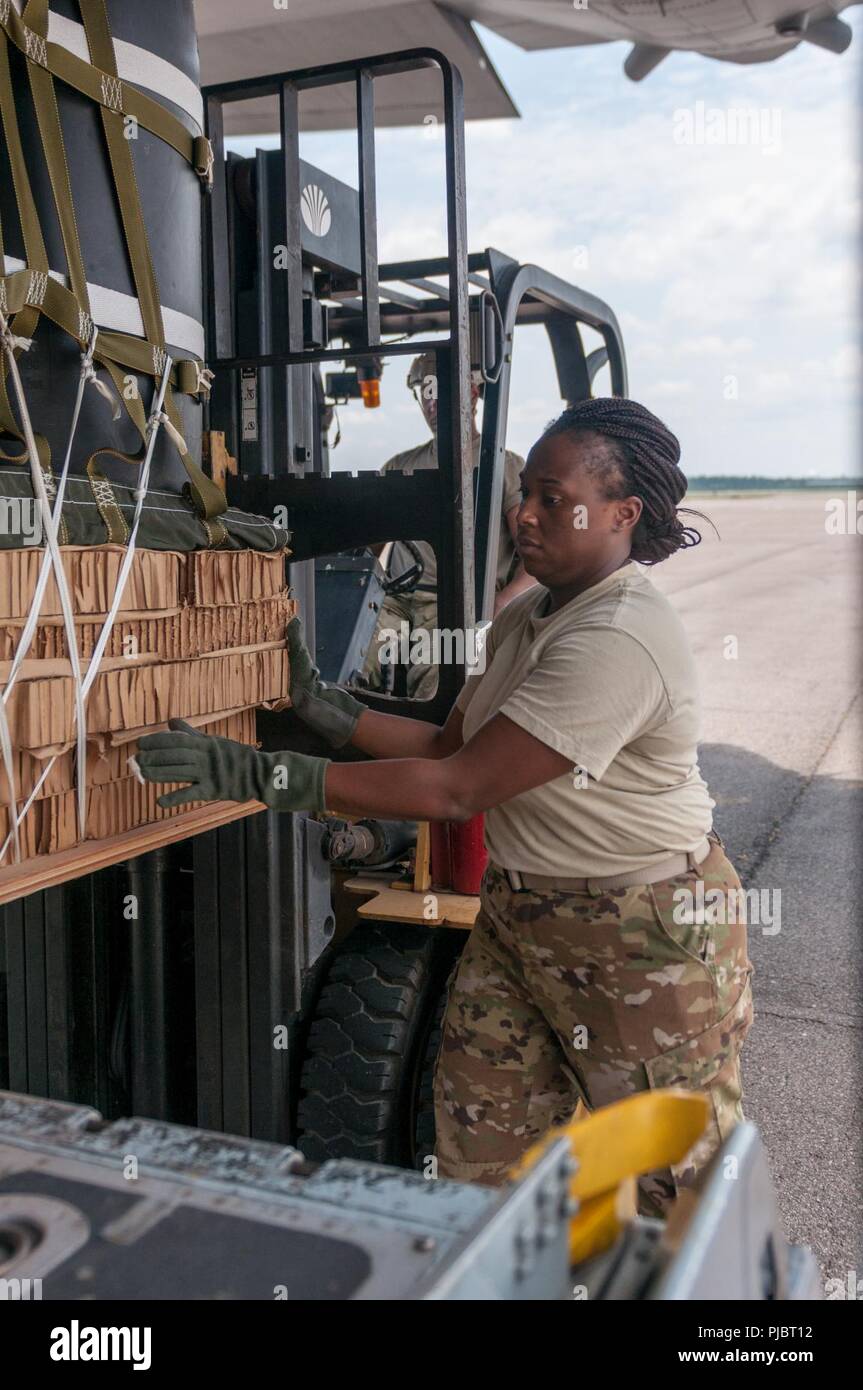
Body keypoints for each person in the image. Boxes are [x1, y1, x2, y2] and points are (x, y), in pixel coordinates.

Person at [136, 396, 754, 1217]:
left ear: (621, 512)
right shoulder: (527, 617)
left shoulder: (620, 636)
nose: (520, 512)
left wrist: (263, 776)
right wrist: (326, 708)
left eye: (547, 495)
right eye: (524, 490)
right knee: (478, 1150)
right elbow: (439, 745)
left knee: (679, 1191)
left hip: (638, 934)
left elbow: (458, 789)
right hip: (519, 915)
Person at [362, 352, 534, 698]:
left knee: (437, 692)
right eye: (424, 392)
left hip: (456, 606)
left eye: (440, 390)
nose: (432, 402)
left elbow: (535, 552)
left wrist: (502, 602)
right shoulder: (400, 466)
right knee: (340, 661)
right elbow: (366, 546)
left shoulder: (502, 466)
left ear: (471, 394)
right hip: (395, 601)